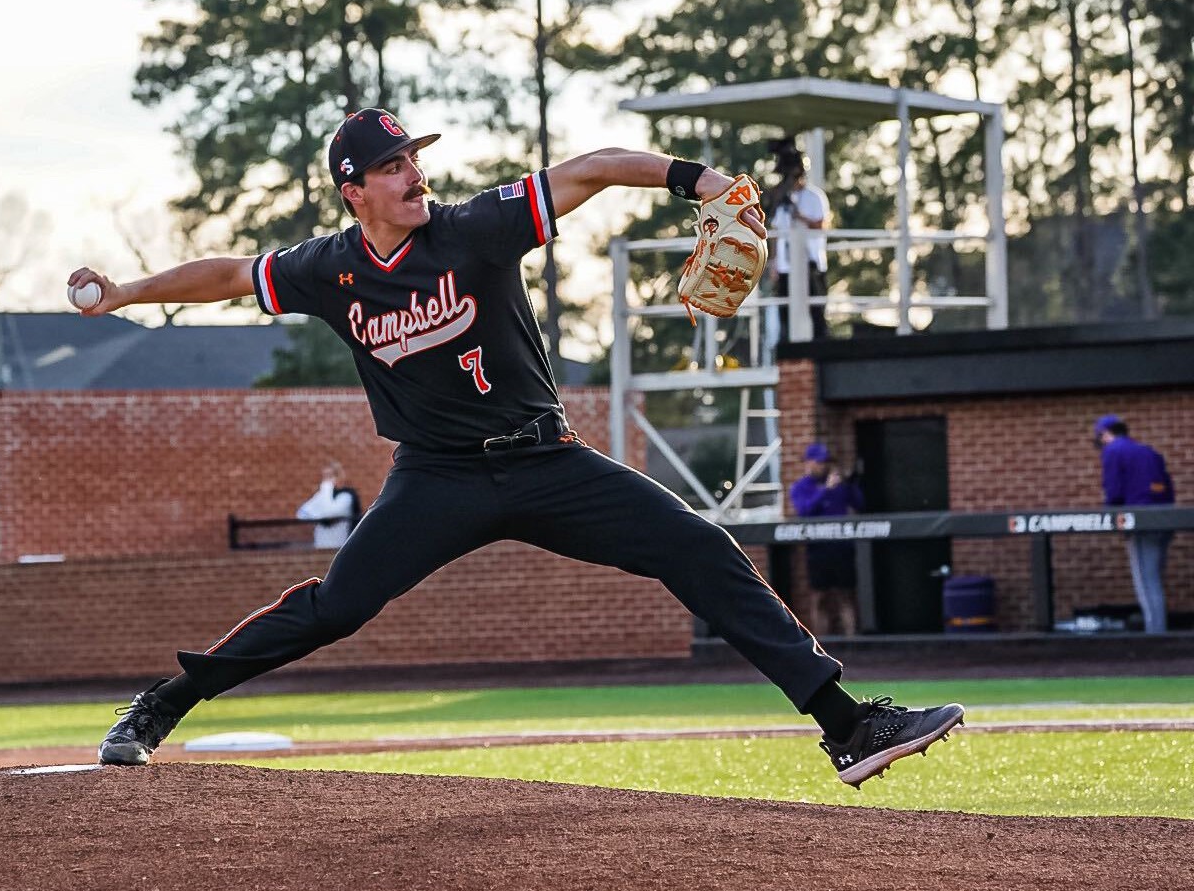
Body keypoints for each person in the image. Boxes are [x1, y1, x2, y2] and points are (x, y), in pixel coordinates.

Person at [67, 108, 963, 787]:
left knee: (697, 546)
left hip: (547, 462)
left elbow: (600, 167)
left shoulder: (474, 227)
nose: (414, 173)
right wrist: (125, 291)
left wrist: (699, 179)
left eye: (413, 157)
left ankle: (848, 725)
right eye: (391, 166)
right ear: (354, 190)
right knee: (336, 604)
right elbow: (229, 274)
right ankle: (166, 702)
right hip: (436, 479)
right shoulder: (330, 268)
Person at [1094, 415, 1177, 634]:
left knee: (1147, 582)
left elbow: (1114, 492)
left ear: (1105, 433)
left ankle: (1156, 636)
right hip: (1165, 519)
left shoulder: (1113, 450)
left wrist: (1112, 516)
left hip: (1141, 522)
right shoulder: (1149, 451)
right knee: (1155, 578)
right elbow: (1168, 489)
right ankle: (1158, 631)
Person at [789, 443, 865, 637]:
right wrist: (825, 490)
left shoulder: (839, 484)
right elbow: (804, 511)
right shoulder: (800, 487)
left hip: (841, 546)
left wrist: (850, 482)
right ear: (809, 463)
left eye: (826, 462)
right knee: (819, 597)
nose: (824, 466)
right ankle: (821, 645)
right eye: (820, 462)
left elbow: (859, 504)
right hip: (818, 548)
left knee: (846, 595)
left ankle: (852, 641)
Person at [764, 147, 832, 340]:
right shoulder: (781, 201)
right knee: (785, 313)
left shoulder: (814, 196)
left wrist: (800, 216)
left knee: (816, 311)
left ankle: (820, 348)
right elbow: (776, 232)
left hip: (811, 264)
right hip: (786, 267)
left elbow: (821, 225)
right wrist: (774, 263)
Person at [295, 462, 359, 549]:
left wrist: (326, 487)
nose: (326, 481)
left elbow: (328, 513)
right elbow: (302, 513)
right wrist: (318, 516)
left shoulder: (346, 496)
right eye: (325, 477)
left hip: (339, 547)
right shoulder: (323, 495)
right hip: (320, 545)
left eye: (330, 476)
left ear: (339, 477)